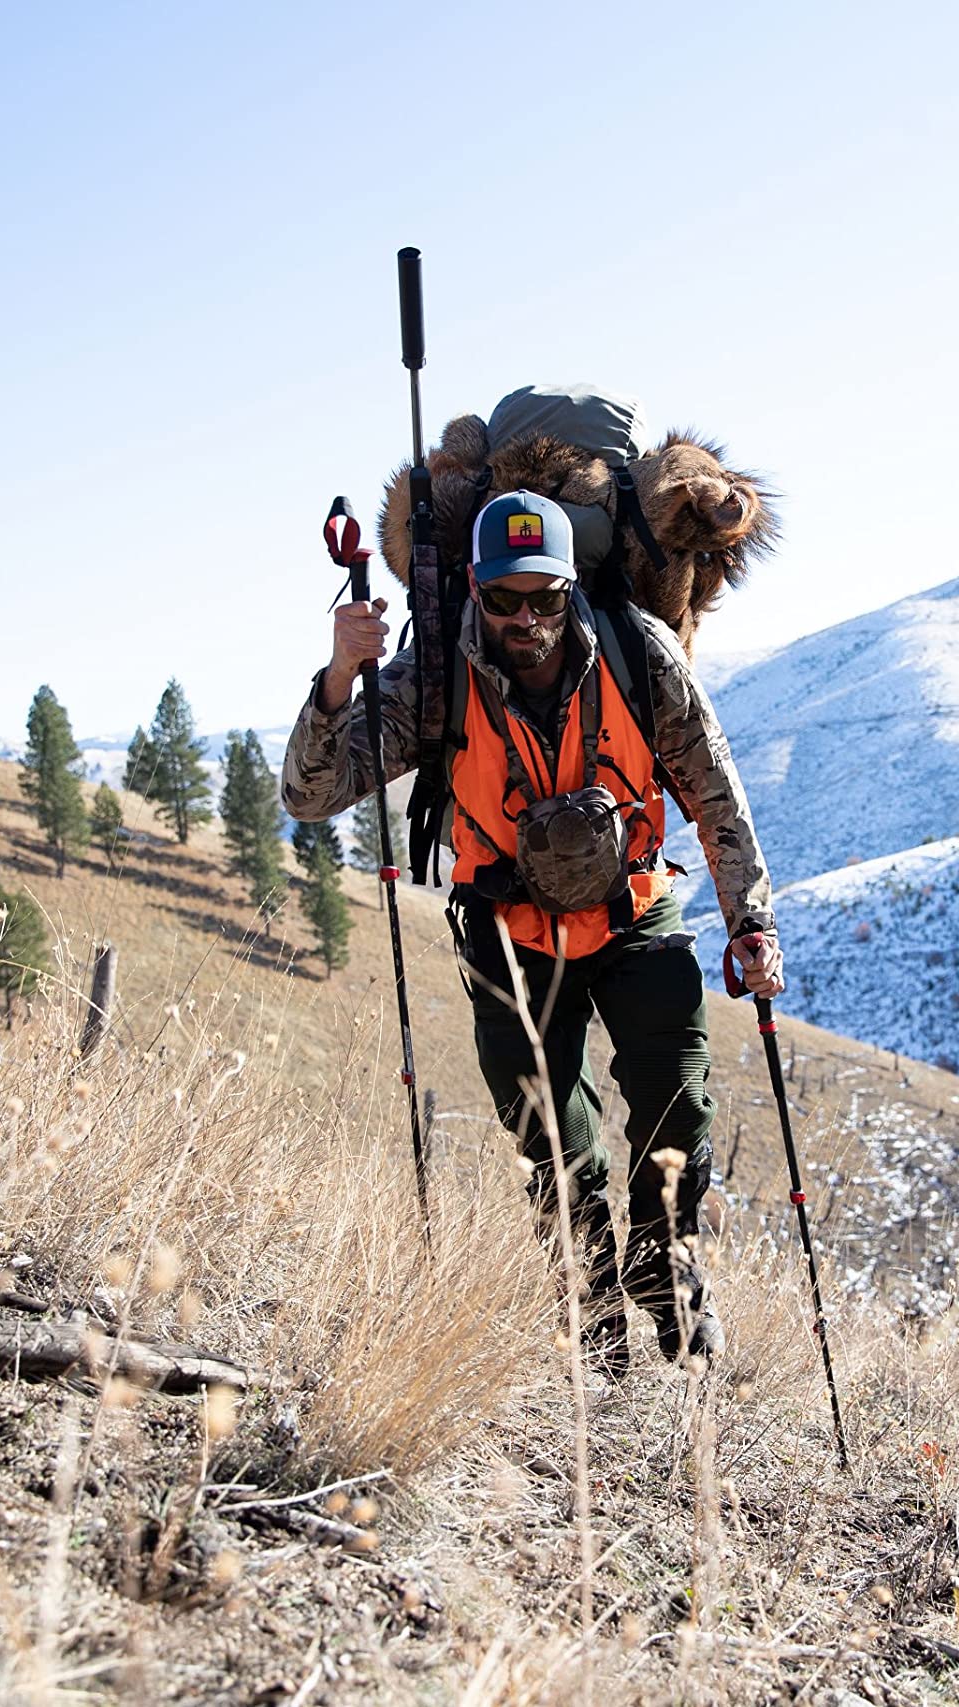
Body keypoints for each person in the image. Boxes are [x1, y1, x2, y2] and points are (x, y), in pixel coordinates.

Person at [283, 489, 781, 1371]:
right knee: (553, 1147)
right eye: (505, 597)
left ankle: (667, 1272)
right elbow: (310, 794)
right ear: (474, 587)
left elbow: (715, 792)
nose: (526, 617)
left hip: (634, 914)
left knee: (678, 1104)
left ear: (570, 589)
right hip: (507, 932)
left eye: (544, 596)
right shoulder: (435, 677)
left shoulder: (638, 654)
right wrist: (337, 674)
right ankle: (595, 1322)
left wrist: (752, 922)